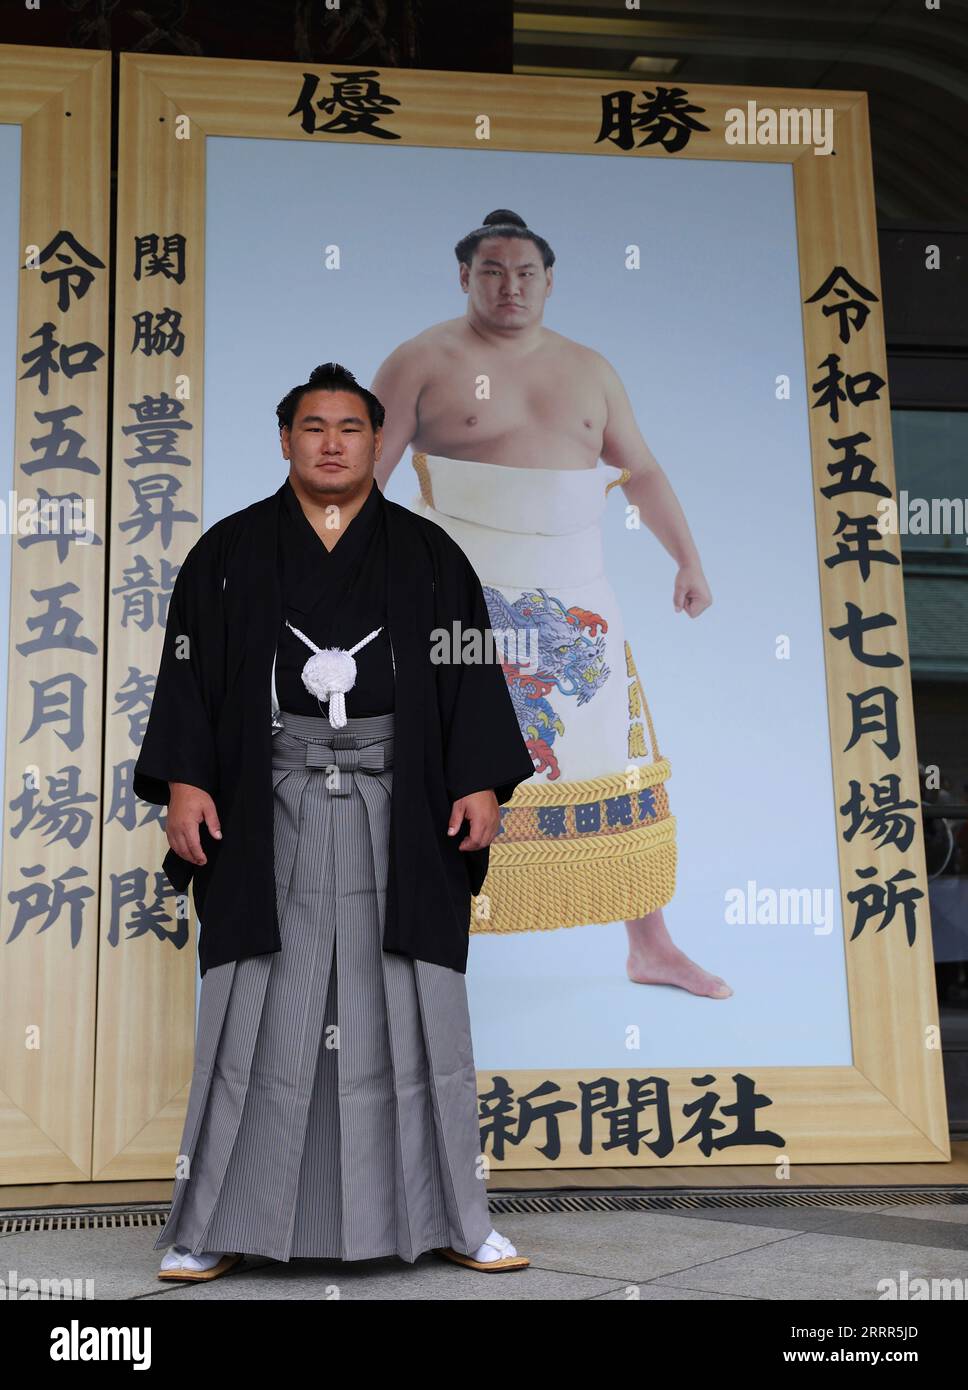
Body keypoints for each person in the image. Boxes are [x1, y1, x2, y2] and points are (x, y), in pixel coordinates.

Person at [134, 362, 536, 1281]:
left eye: (349, 427)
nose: (330, 442)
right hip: (265, 796)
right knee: (255, 1009)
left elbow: (470, 673)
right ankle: (215, 1221)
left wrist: (477, 779)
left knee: (415, 1006)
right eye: (311, 427)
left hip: (401, 798)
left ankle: (451, 1215)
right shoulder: (228, 554)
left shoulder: (430, 556)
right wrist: (186, 783)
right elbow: (187, 679)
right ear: (284, 441)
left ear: (373, 440)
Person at [371, 208, 731, 999]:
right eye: (493, 272)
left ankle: (652, 947)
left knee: (617, 762)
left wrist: (688, 560)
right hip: (460, 603)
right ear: (464, 276)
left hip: (579, 603)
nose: (511, 287)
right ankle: (408, 948)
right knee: (437, 763)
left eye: (526, 274)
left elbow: (640, 470)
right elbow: (366, 478)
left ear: (549, 281)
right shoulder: (419, 362)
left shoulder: (591, 368)